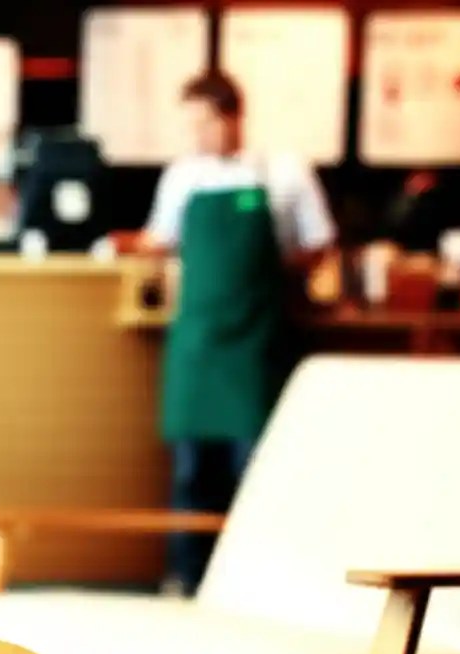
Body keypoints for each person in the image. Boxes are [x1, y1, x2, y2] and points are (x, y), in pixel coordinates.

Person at [143, 72, 335, 596]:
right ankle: (186, 579)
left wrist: (272, 267)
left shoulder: (283, 171)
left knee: (253, 472)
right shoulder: (182, 177)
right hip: (198, 347)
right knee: (190, 476)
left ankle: (255, 586)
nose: (197, 135)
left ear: (233, 116)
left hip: (253, 346)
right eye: (190, 125)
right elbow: (162, 242)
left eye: (205, 122)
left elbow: (319, 242)